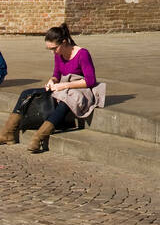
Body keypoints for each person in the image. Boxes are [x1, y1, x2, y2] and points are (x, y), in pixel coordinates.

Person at [0, 23, 101, 153]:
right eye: (50, 49)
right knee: (27, 93)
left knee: (66, 100)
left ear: (64, 42)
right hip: (62, 87)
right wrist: (51, 81)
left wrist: (65, 85)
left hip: (80, 89)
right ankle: (7, 133)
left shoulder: (82, 54)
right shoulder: (58, 55)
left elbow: (90, 80)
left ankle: (39, 137)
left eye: (54, 48)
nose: (53, 52)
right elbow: (56, 75)